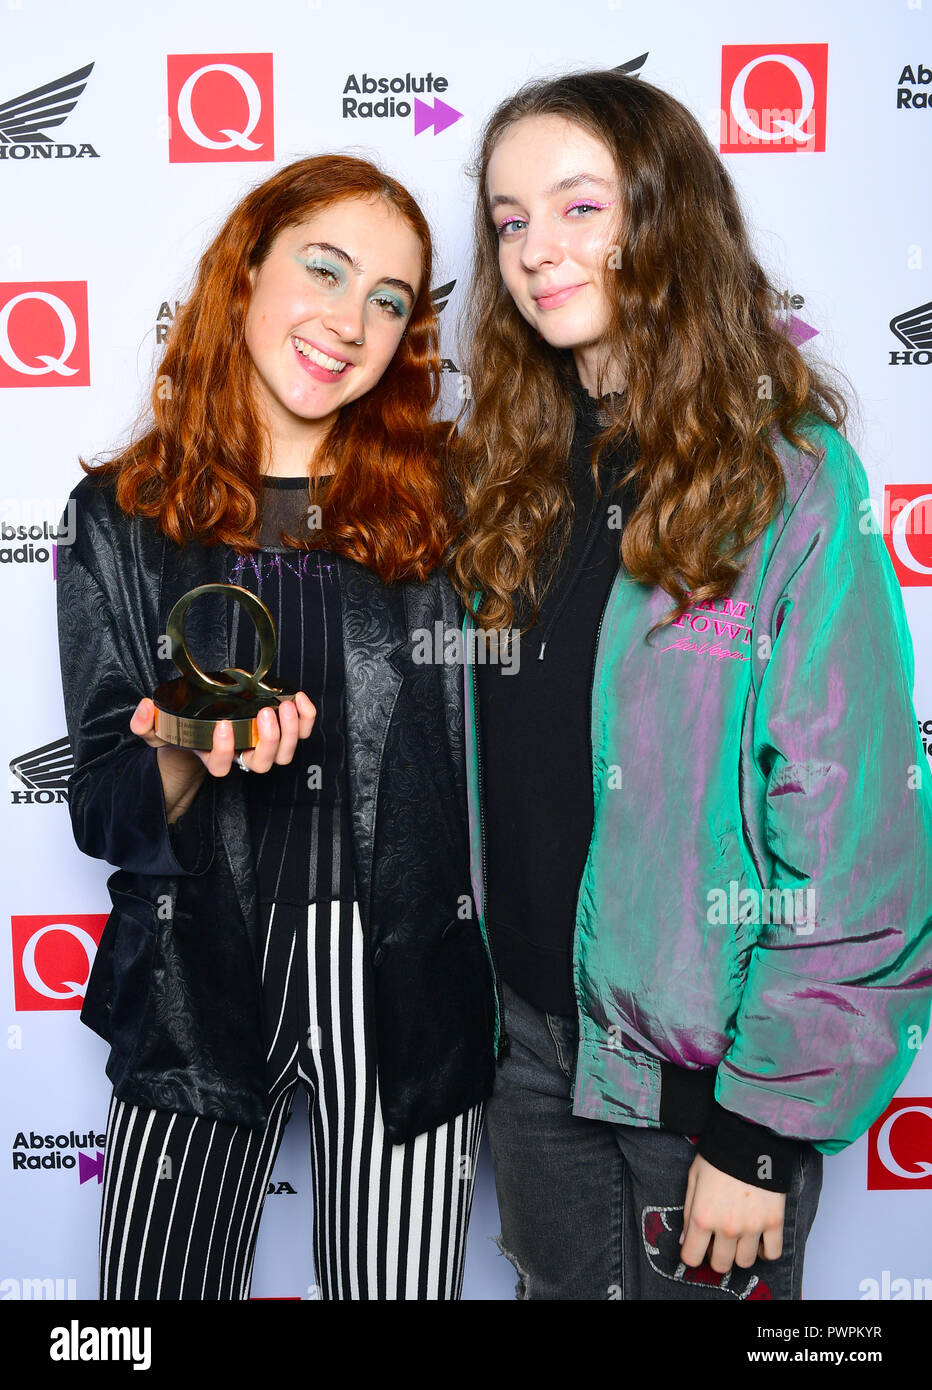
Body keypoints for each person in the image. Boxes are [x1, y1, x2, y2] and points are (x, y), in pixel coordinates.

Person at [450, 69, 932, 1300]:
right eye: (509, 220)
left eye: (576, 207)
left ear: (662, 222)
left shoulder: (787, 487)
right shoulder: (501, 475)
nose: (535, 251)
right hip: (527, 1065)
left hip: (706, 1086)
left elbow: (852, 835)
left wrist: (761, 1124)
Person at [56, 154, 495, 1301]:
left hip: (400, 980)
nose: (350, 323)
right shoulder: (122, 516)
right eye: (325, 269)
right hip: (200, 973)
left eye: (390, 301)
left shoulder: (451, 505)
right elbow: (102, 810)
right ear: (245, 269)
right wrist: (184, 747)